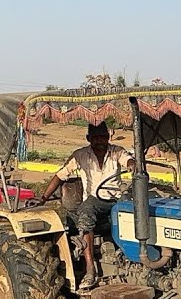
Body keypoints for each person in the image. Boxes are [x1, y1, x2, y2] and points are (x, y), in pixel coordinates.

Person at [30, 122, 134, 290]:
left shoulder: (116, 152)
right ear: (89, 139)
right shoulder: (80, 156)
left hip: (117, 199)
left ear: (109, 138)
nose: (100, 141)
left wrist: (132, 166)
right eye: (96, 138)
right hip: (95, 200)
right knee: (87, 210)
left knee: (137, 209)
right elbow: (60, 176)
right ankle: (90, 268)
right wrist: (43, 197)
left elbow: (128, 160)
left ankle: (134, 260)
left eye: (103, 137)